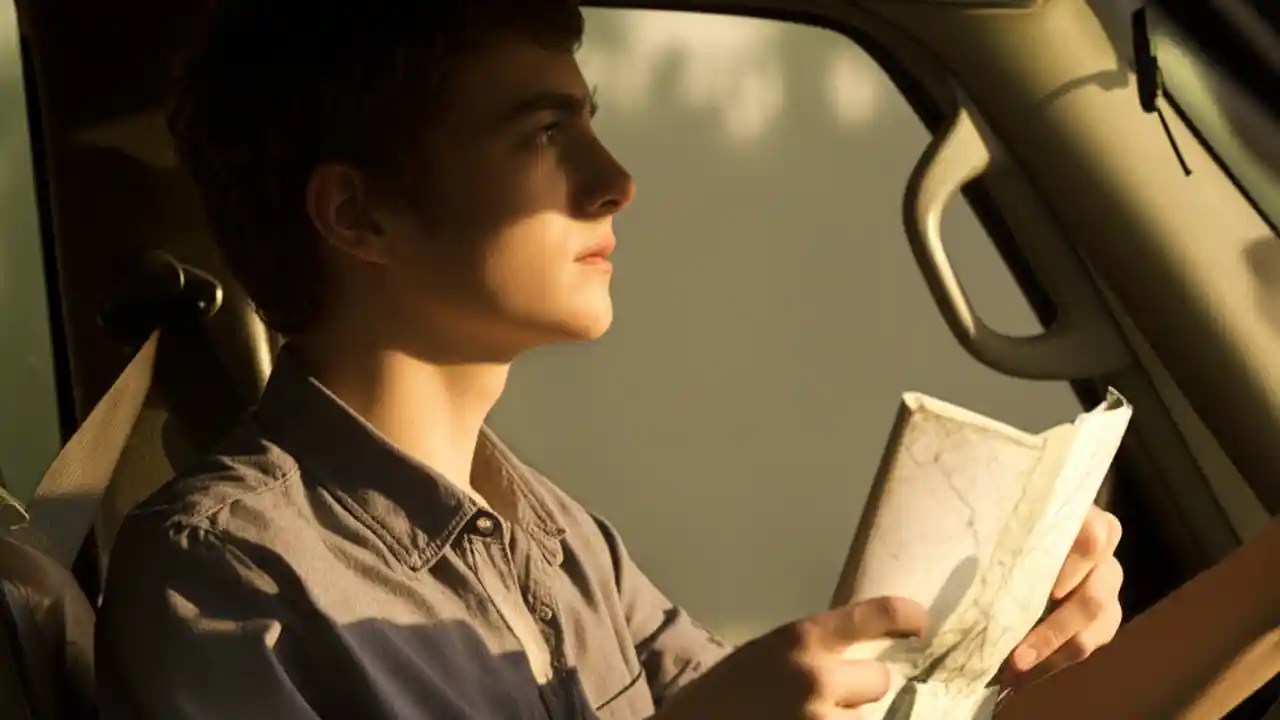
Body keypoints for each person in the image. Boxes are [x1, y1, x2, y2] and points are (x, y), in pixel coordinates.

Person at [96, 1, 1126, 717]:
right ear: (359, 214)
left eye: (588, 124)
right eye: (544, 135)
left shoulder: (559, 540)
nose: (615, 181)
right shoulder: (220, 576)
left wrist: (985, 633)